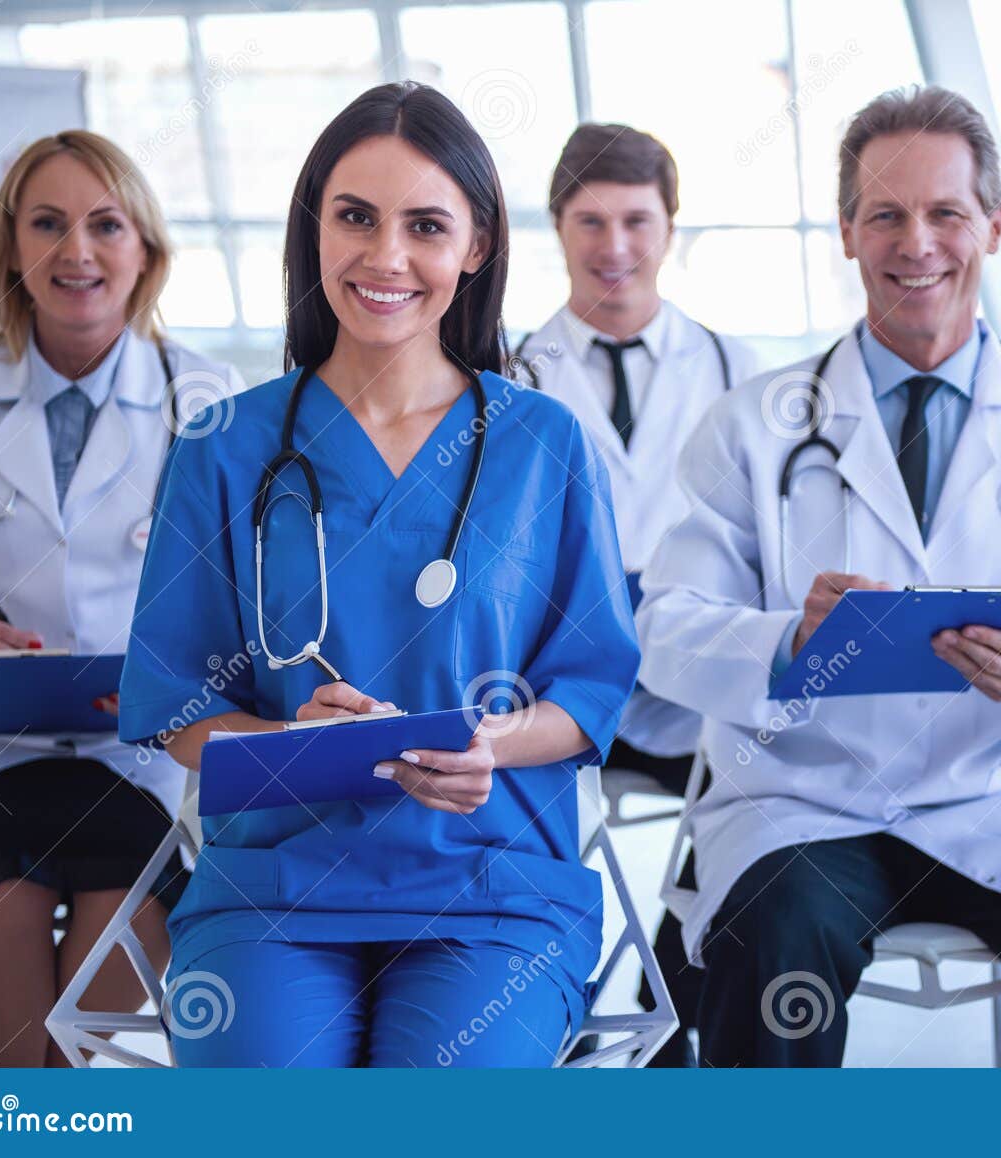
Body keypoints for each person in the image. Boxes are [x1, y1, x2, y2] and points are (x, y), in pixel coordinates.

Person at [636, 85, 1001, 1067]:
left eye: (945, 212)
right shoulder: (751, 425)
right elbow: (666, 627)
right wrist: (785, 640)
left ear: (991, 225)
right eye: (886, 215)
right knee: (774, 946)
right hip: (802, 804)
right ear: (847, 232)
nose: (917, 244)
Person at [118, 83, 640, 1068]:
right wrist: (283, 745)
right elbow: (178, 706)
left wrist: (486, 746)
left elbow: (591, 687)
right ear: (313, 228)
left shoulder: (544, 443)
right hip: (274, 890)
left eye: (426, 226)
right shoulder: (225, 446)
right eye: (355, 217)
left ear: (476, 246)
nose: (386, 256)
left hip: (493, 888)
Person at [0, 130, 243, 1066]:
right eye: (48, 224)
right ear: (13, 246)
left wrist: (172, 675)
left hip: (143, 752)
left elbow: (244, 608)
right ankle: (28, 1110)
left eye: (104, 224)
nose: (77, 251)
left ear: (145, 248)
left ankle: (37, 1109)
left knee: (127, 882)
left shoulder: (207, 399)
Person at [513, 122, 761, 1065]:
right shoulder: (508, 373)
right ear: (558, 227)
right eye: (590, 221)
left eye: (635, 220)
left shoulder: (741, 374)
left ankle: (669, 1005)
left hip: (691, 685)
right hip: (558, 682)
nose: (613, 248)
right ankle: (550, 1007)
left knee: (760, 781)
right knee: (532, 814)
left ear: (670, 226)